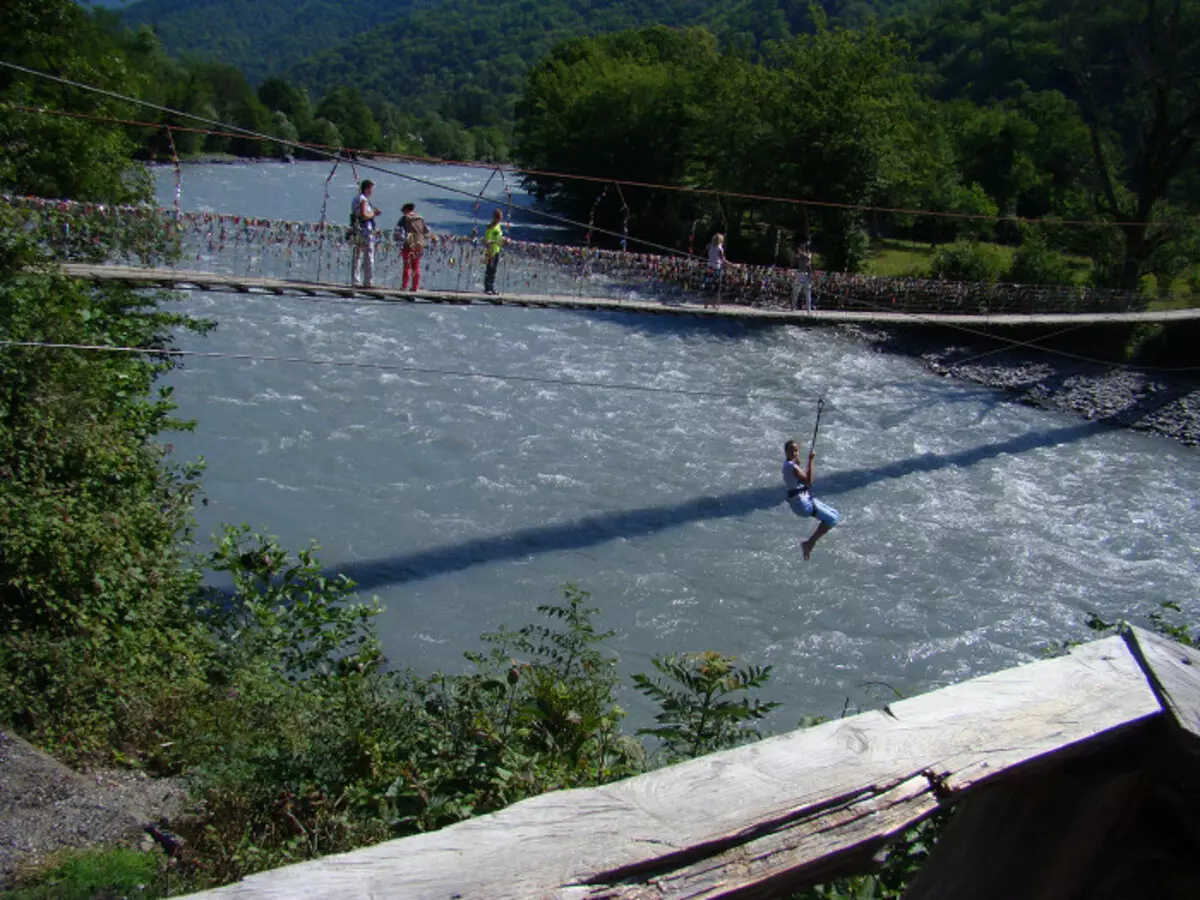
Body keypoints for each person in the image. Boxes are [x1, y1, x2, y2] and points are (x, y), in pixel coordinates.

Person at [782, 439, 839, 561]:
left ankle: (810, 543)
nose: (795, 453)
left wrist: (804, 463)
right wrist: (811, 460)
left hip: (803, 500)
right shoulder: (792, 467)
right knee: (832, 519)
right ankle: (809, 543)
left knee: (836, 515)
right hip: (803, 505)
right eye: (791, 450)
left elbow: (802, 480)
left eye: (796, 450)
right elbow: (809, 481)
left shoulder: (789, 465)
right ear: (786, 452)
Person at [350, 180, 382, 287]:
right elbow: (364, 215)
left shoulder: (356, 198)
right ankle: (368, 281)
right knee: (368, 255)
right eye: (371, 189)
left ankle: (355, 280)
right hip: (365, 230)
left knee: (357, 255)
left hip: (357, 229)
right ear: (367, 189)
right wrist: (374, 213)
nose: (372, 191)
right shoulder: (363, 200)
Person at [396, 202, 432, 291]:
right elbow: (426, 230)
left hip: (408, 244)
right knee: (416, 266)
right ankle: (415, 287)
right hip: (419, 245)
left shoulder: (404, 218)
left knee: (407, 266)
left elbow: (398, 231)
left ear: (406, 210)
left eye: (403, 211)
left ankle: (404, 286)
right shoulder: (420, 218)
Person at [483, 207, 506, 295]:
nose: (501, 218)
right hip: (490, 251)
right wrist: (495, 242)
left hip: (496, 250)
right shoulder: (491, 228)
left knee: (493, 270)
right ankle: (488, 288)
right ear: (497, 217)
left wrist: (503, 240)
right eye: (500, 216)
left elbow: (499, 237)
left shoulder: (498, 226)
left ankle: (491, 287)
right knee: (490, 269)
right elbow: (486, 240)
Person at [705, 233, 726, 307]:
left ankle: (706, 303)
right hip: (717, 267)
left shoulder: (710, 246)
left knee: (709, 284)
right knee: (716, 286)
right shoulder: (720, 249)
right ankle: (714, 303)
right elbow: (723, 259)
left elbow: (708, 254)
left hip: (709, 266)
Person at [792, 245, 813, 312]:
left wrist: (802, 253)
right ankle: (793, 307)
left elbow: (808, 259)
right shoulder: (800, 255)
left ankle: (808, 309)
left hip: (806, 275)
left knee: (807, 293)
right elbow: (796, 256)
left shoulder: (808, 255)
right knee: (796, 292)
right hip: (800, 274)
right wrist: (799, 252)